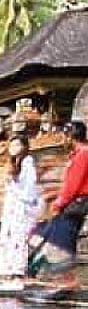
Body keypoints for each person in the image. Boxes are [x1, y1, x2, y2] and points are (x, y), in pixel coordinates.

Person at [36, 120, 88, 293]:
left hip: (76, 202)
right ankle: (66, 279)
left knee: (63, 238)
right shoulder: (77, 154)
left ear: (71, 135)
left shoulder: (82, 154)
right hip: (75, 201)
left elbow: (72, 184)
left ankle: (69, 280)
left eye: (65, 136)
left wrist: (59, 203)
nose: (63, 140)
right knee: (63, 237)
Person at [0, 137, 41, 291]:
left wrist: (12, 184)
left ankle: (18, 276)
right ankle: (9, 274)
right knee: (8, 239)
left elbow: (29, 190)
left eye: (17, 144)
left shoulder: (28, 162)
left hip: (21, 208)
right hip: (11, 208)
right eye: (11, 145)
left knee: (18, 241)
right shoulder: (14, 163)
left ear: (24, 146)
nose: (13, 147)